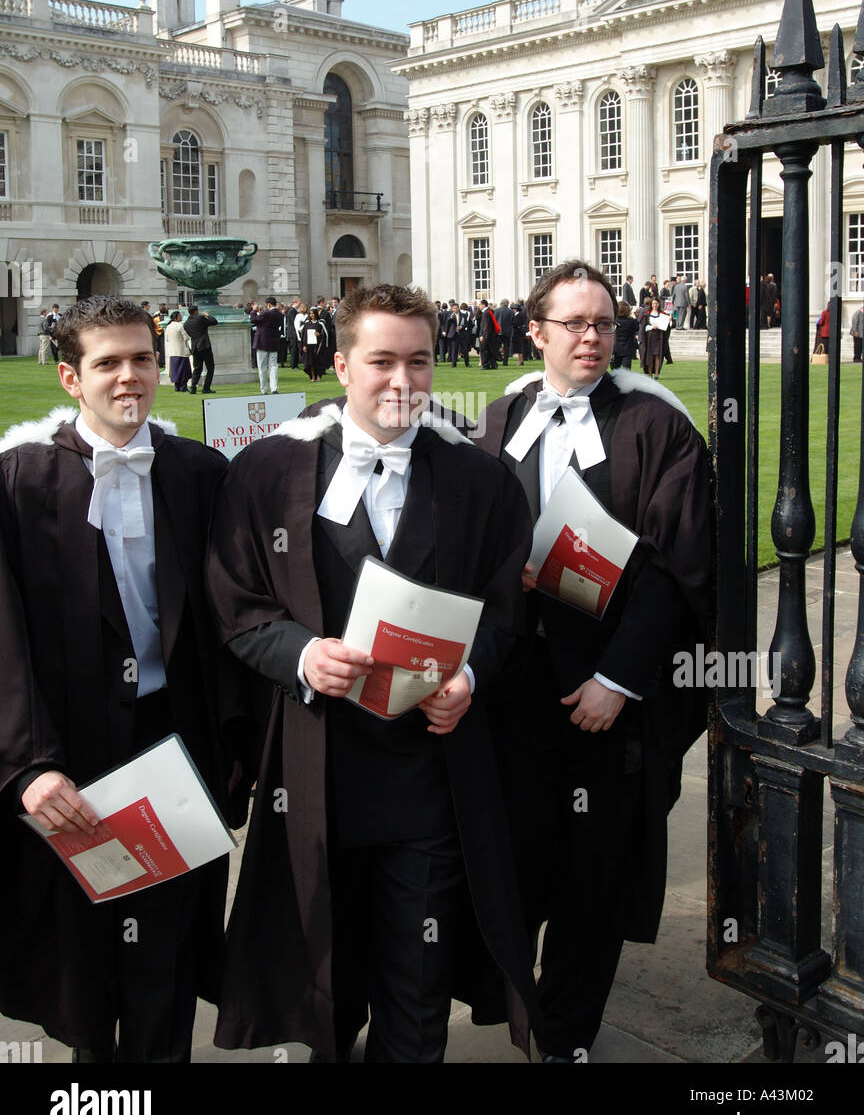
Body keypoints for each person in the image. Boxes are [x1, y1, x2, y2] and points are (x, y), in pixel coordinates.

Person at [207, 283, 537, 1064]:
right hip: (315, 772)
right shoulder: (267, 472)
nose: (403, 381)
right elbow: (236, 602)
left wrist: (471, 680)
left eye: (419, 362)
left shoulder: (478, 480)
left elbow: (503, 612)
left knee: (416, 982)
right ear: (342, 363)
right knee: (326, 974)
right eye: (382, 360)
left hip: (429, 777)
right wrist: (300, 654)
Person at [473, 259, 711, 1063]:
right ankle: (521, 1006)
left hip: (604, 694)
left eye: (604, 323)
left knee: (593, 871)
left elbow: (682, 569)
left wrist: (620, 680)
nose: (592, 337)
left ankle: (566, 1034)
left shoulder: (657, 425)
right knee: (519, 855)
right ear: (534, 331)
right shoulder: (503, 417)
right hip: (511, 690)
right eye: (574, 323)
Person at [0, 296, 249, 1063]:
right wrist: (26, 768)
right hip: (66, 749)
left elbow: (234, 613)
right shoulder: (18, 482)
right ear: (71, 377)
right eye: (108, 363)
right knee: (83, 963)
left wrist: (236, 754)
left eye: (142, 357)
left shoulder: (201, 473)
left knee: (165, 957)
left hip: (171, 742)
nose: (130, 377)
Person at [183, 304, 219, 393]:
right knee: (210, 367)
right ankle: (206, 388)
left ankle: (193, 387)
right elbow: (214, 321)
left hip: (195, 346)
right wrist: (207, 315)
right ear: (196, 311)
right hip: (204, 345)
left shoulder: (186, 323)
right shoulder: (200, 318)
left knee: (197, 368)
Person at [250, 296, 282, 395]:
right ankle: (274, 388)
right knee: (273, 366)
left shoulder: (266, 313)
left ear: (268, 304)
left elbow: (253, 320)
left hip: (262, 342)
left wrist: (254, 310)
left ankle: (264, 389)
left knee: (262, 367)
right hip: (274, 342)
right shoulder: (280, 315)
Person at [164, 308, 192, 392]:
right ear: (176, 317)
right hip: (182, 351)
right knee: (183, 370)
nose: (181, 317)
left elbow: (167, 339)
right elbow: (186, 337)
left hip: (173, 352)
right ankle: (183, 387)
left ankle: (177, 386)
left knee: (175, 370)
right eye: (180, 316)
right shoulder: (180, 326)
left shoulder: (168, 327)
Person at [639, 297, 667, 377]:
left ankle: (657, 374)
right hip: (650, 337)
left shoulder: (662, 314)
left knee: (657, 356)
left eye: (656, 304)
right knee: (650, 356)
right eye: (653, 303)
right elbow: (644, 326)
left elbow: (666, 326)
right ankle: (650, 373)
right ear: (651, 304)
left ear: (659, 304)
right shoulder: (647, 314)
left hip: (659, 337)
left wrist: (669, 320)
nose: (655, 305)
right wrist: (651, 327)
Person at [611, 299, 639, 370]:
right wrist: (635, 317)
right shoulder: (630, 321)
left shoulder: (614, 321)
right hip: (627, 348)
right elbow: (637, 328)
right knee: (626, 370)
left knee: (615, 369)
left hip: (616, 347)